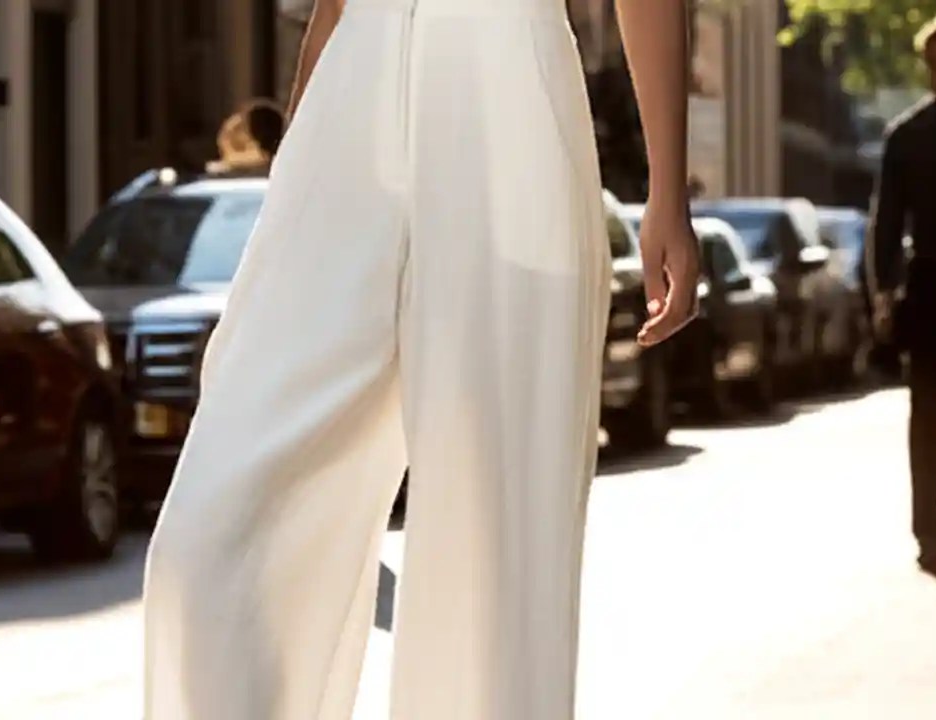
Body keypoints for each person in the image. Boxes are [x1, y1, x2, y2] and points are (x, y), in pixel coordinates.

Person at [142, 0, 699, 718]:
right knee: (210, 535)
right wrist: (291, 182)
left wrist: (666, 193)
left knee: (491, 563)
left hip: (509, 99)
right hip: (352, 101)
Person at [867, 9, 936, 575]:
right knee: (926, 418)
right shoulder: (907, 138)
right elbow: (886, 224)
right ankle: (928, 531)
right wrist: (883, 295)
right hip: (932, 290)